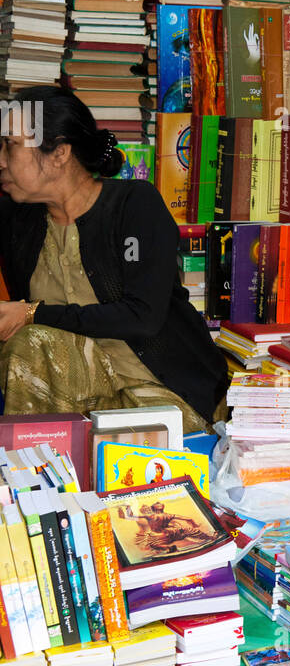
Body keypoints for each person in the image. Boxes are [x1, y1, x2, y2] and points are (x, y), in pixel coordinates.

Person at [0, 85, 228, 433]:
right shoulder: (18, 218)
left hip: (162, 391)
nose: (1, 159)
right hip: (78, 388)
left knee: (122, 471)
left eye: (11, 146)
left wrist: (33, 313)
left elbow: (142, 317)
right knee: (26, 346)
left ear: (59, 152)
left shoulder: (134, 205)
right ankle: (35, 473)